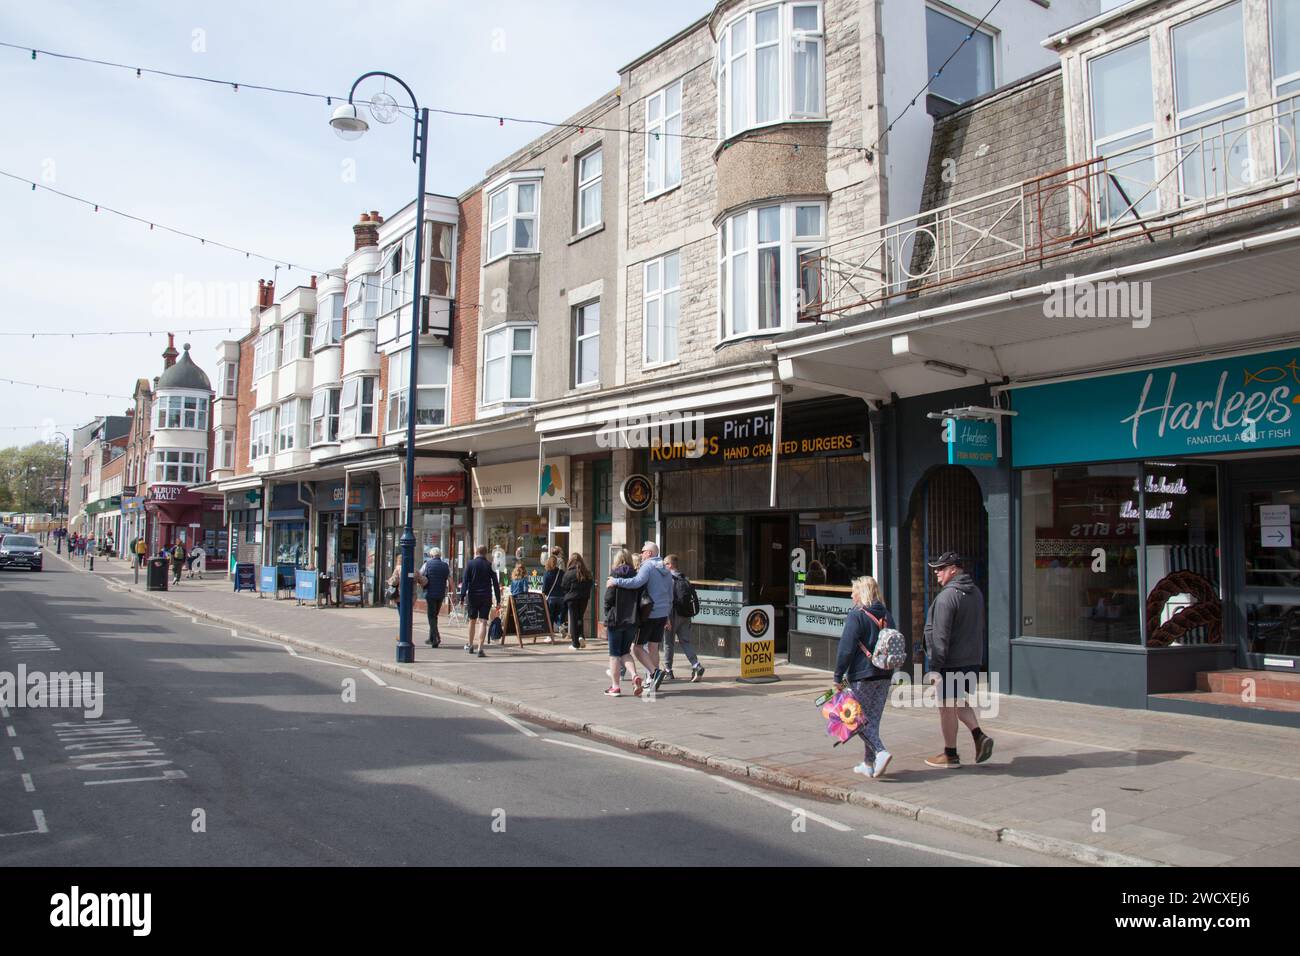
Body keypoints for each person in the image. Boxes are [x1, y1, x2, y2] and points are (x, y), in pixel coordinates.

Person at [922, 551, 994, 769]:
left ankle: (950, 755)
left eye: (941, 568)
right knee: (958, 701)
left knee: (945, 706)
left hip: (951, 661)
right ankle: (979, 736)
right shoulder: (976, 593)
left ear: (953, 569)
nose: (936, 572)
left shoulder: (947, 597)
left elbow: (940, 635)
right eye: (936, 568)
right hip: (971, 660)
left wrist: (935, 668)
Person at [833, 576, 896, 779]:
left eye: (854, 591)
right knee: (872, 720)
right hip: (885, 674)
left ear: (863, 593)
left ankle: (880, 752)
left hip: (862, 674)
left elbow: (846, 649)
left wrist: (837, 675)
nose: (851, 595)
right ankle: (868, 764)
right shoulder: (887, 614)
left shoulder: (856, 615)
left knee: (854, 720)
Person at [607, 540, 674, 695]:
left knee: (636, 648)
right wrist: (668, 615)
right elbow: (670, 595)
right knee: (654, 647)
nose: (642, 553)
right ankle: (652, 680)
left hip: (650, 612)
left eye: (643, 551)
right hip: (663, 613)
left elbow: (636, 582)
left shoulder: (648, 566)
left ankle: (654, 672)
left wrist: (615, 581)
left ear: (649, 553)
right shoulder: (665, 568)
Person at [603, 549, 643, 696]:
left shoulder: (614, 576)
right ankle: (634, 675)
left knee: (614, 655)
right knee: (625, 652)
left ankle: (615, 687)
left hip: (616, 620)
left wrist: (607, 614)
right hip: (632, 620)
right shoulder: (637, 576)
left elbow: (608, 599)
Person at [663, 554, 705, 682]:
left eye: (665, 564)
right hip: (686, 615)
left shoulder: (667, 579)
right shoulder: (684, 578)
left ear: (670, 565)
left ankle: (668, 671)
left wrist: (666, 618)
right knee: (685, 641)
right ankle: (696, 665)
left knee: (668, 643)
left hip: (672, 614)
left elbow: (667, 599)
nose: (663, 566)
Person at [460, 545, 502, 658]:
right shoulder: (490, 565)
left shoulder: (470, 564)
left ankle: (470, 645)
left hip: (473, 596)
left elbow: (465, 582)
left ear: (476, 552)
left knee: (472, 620)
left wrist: (462, 596)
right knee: (483, 621)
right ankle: (480, 648)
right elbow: (496, 584)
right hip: (486, 596)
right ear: (486, 553)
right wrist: (498, 599)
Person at [560, 553, 593, 651]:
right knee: (579, 618)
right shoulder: (586, 572)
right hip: (584, 598)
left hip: (572, 599)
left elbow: (564, 586)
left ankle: (575, 644)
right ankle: (581, 636)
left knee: (573, 620)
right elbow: (590, 584)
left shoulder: (569, 573)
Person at [420, 547, 451, 647]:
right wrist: (454, 593)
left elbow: (420, 576)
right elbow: (450, 580)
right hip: (441, 594)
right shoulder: (445, 565)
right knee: (435, 615)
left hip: (430, 593)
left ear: (431, 555)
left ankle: (436, 638)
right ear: (440, 555)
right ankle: (431, 638)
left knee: (431, 616)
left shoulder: (427, 564)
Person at [541, 554, 564, 640]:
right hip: (561, 597)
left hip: (551, 598)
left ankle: (550, 635)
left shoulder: (547, 573)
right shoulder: (561, 573)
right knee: (557, 614)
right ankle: (560, 626)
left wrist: (544, 594)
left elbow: (544, 588)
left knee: (550, 616)